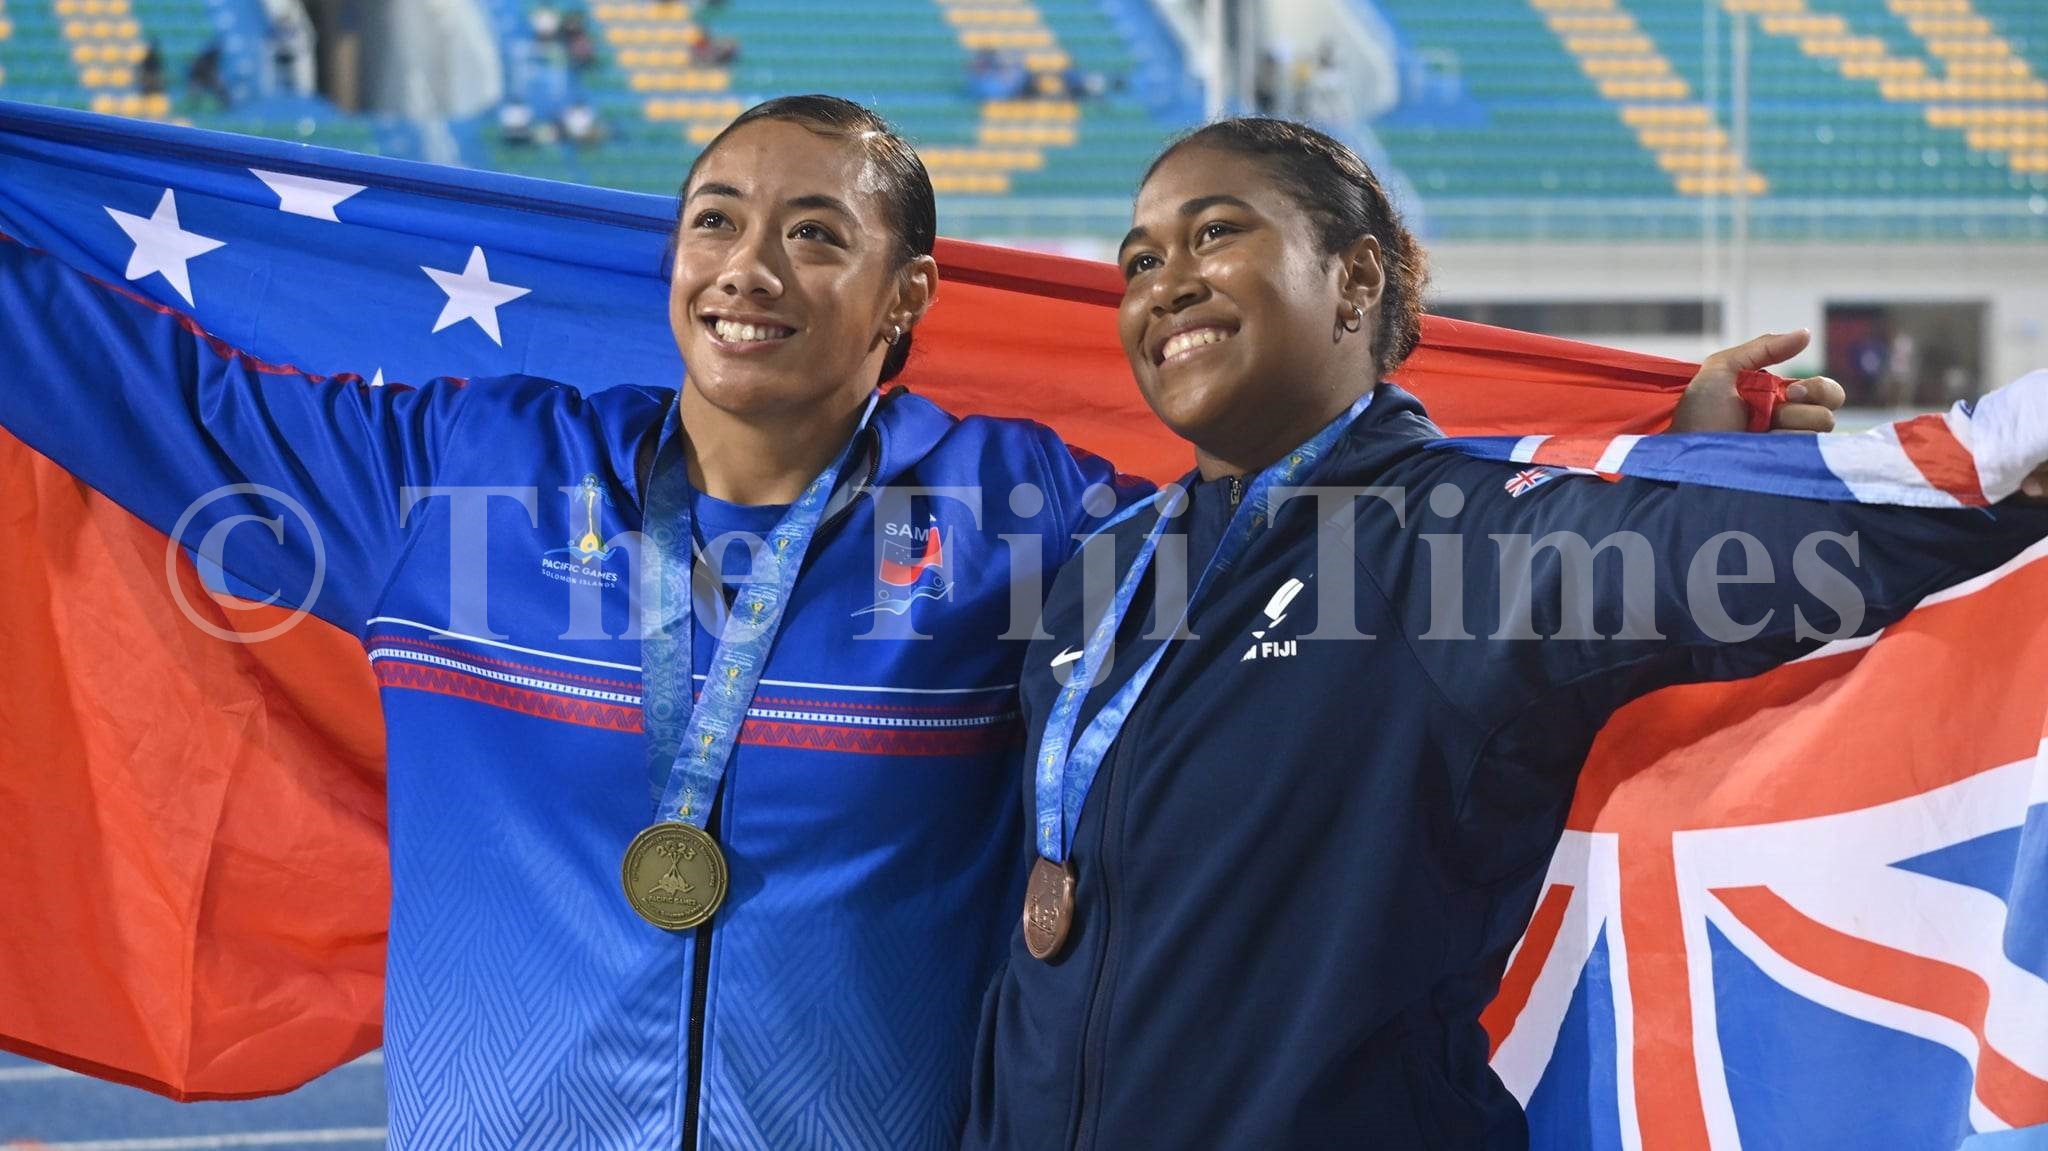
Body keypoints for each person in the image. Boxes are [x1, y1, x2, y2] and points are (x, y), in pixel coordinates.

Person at [0, 97, 1826, 1148]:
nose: (748, 266)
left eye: (813, 232)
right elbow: (114, 369)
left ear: (905, 295)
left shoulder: (1012, 515)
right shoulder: (451, 479)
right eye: (716, 219)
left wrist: (1638, 450)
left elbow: (1315, 513)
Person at [961, 117, 2048, 1150]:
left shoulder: (1456, 542)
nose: (1166, 283)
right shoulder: (1101, 571)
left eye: (1214, 234)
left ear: (1354, 279)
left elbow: (1793, 544)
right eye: (1138, 261)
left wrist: (1987, 458)